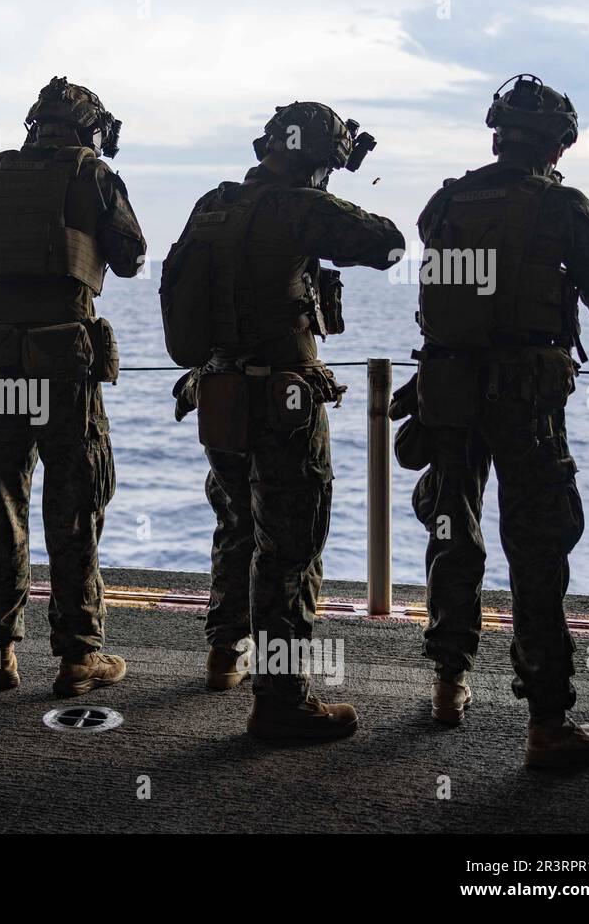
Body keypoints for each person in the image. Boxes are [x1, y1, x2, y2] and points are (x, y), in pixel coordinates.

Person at [405, 75, 589, 768]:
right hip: (525, 398)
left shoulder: (445, 200)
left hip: (449, 391)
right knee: (536, 548)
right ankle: (547, 721)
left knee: (452, 530)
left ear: (497, 132)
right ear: (558, 143)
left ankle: (448, 684)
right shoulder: (561, 205)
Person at [165, 101, 404, 739]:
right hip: (284, 399)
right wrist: (326, 195)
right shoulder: (298, 206)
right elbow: (387, 244)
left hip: (218, 391)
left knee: (236, 520)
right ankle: (282, 701)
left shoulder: (214, 203)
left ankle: (225, 652)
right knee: (290, 547)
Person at [0, 77, 146, 696]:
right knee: (74, 506)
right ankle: (77, 657)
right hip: (62, 362)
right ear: (90, 128)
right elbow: (131, 255)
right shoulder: (91, 175)